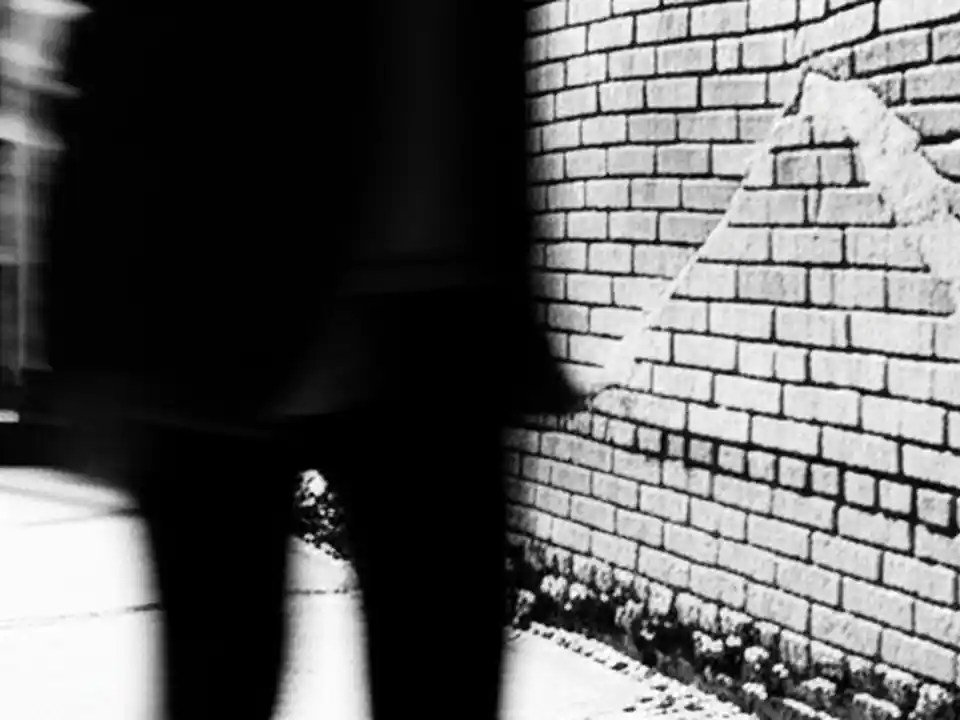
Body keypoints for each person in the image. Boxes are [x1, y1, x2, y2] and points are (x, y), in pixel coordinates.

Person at [36, 3, 578, 719]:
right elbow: (115, 43)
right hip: (218, 296)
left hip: (439, 323)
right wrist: (86, 339)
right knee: (221, 677)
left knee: (436, 677)